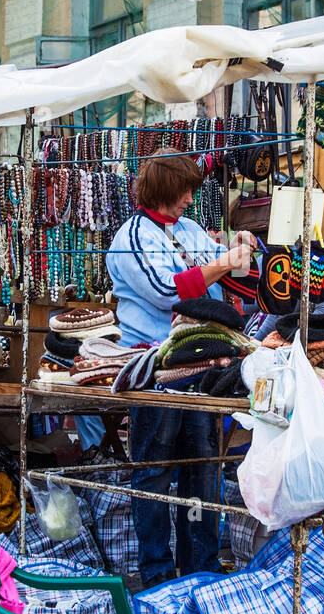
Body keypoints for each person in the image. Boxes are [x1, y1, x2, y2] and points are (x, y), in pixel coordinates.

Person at [107, 149, 254, 589]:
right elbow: (166, 293)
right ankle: (156, 572)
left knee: (203, 466)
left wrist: (240, 249)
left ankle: (201, 567)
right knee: (154, 468)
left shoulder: (187, 229)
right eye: (184, 191)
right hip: (155, 364)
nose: (190, 199)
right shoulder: (130, 237)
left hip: (202, 365)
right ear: (165, 189)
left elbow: (227, 271)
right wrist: (224, 261)